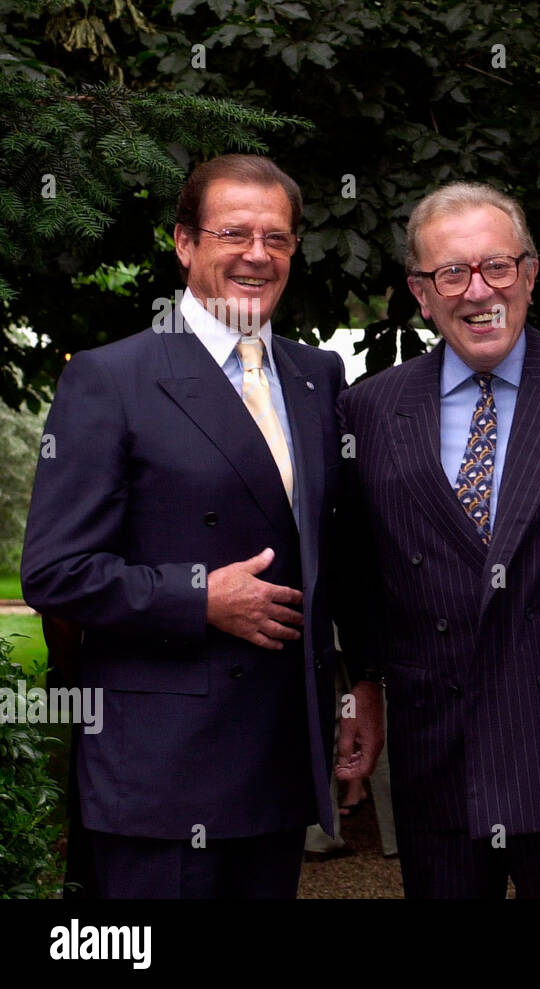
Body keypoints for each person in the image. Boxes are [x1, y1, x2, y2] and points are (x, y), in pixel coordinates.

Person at [21, 154, 346, 898]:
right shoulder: (111, 378)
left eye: (277, 237)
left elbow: (329, 554)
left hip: (277, 763)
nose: (257, 254)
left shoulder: (315, 375)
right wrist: (199, 596)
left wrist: (357, 689)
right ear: (184, 243)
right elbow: (53, 571)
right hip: (163, 775)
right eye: (234, 232)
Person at [334, 182, 540, 898]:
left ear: (531, 274)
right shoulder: (368, 407)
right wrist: (362, 687)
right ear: (422, 292)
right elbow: (356, 570)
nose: (477, 289)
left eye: (497, 266)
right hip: (439, 758)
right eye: (452, 272)